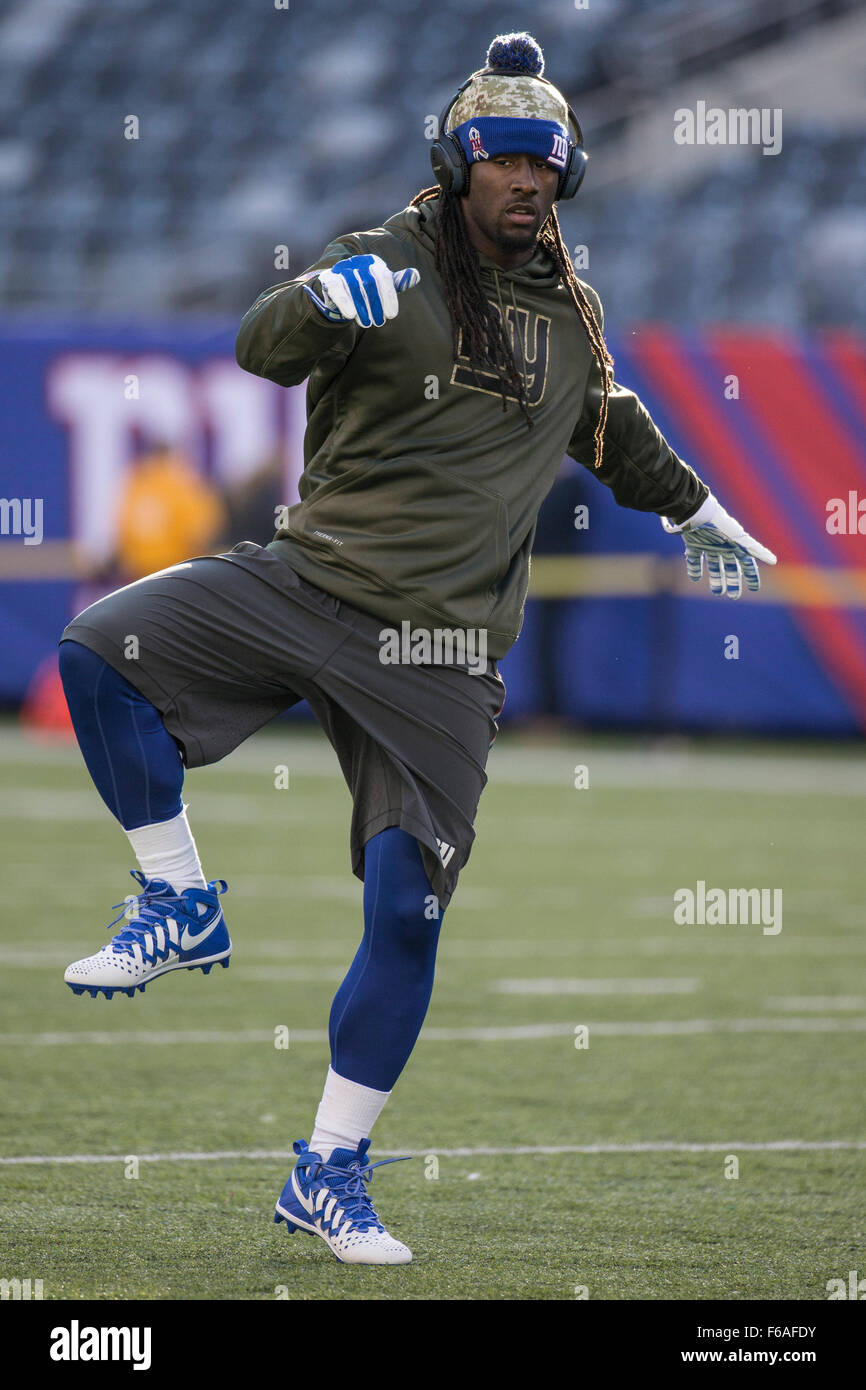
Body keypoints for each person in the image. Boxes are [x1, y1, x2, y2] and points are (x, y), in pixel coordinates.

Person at [57, 32, 775, 1267]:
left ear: (568, 178)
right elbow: (262, 344)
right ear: (454, 165)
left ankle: (327, 1168)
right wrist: (312, 301)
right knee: (97, 649)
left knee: (406, 914)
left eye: (544, 164)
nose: (523, 181)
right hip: (310, 580)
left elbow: (608, 425)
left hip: (442, 652)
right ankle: (177, 895)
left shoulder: (569, 310)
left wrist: (698, 510)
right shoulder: (384, 256)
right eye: (499, 159)